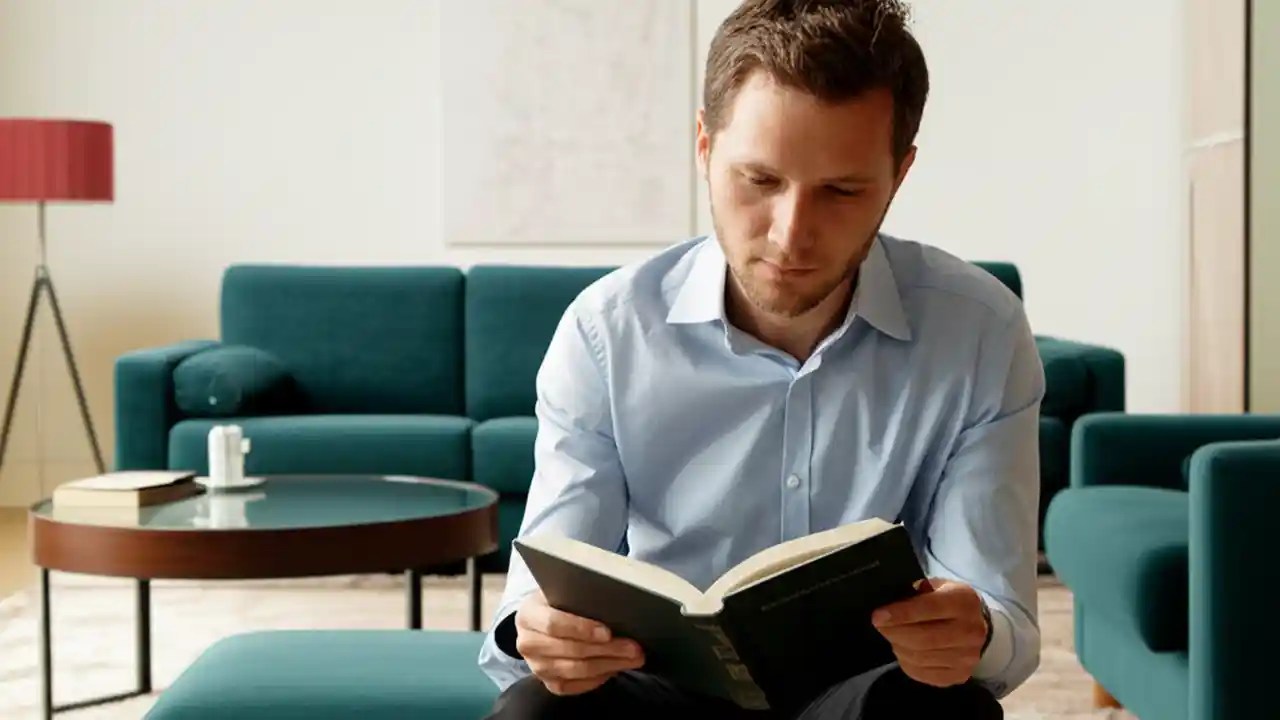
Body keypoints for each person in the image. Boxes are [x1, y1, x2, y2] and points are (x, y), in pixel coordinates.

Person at [477, 0, 1043, 717]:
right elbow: (547, 578)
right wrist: (543, 630)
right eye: (760, 181)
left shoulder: (980, 331)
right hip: (663, 689)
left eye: (841, 191)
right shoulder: (606, 332)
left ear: (899, 175)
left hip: (865, 693)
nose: (791, 235)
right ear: (704, 148)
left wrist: (972, 630)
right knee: (539, 710)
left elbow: (1001, 616)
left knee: (947, 709)